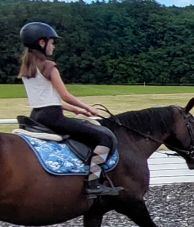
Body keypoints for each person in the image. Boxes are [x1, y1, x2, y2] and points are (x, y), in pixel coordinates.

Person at [19, 21, 121, 199]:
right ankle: (92, 183)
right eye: (51, 42)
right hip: (53, 117)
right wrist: (87, 107)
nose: (54, 45)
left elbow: (47, 100)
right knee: (103, 137)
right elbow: (64, 95)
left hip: (37, 116)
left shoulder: (27, 66)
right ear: (42, 43)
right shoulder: (49, 66)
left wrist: (77, 111)